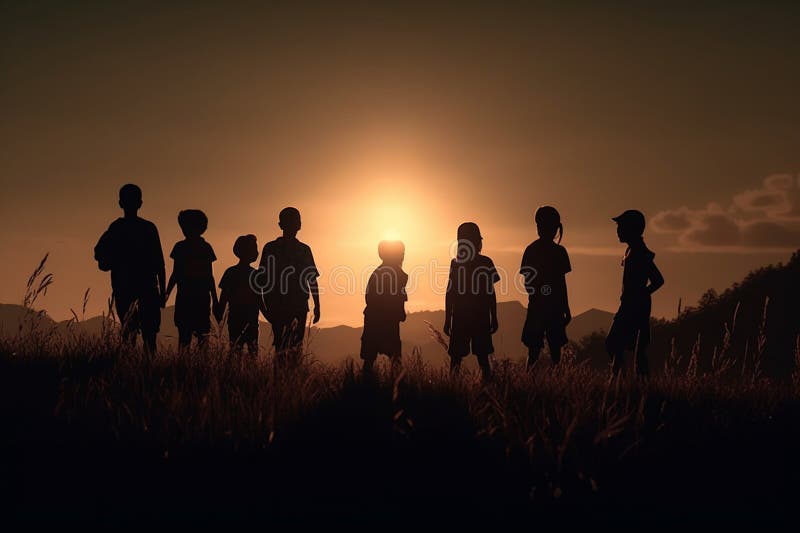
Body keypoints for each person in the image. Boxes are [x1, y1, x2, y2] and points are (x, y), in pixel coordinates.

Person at [94, 184, 165, 353]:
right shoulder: (148, 228)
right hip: (147, 288)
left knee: (128, 333)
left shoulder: (116, 228)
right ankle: (148, 372)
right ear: (140, 203)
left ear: (120, 203)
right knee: (150, 336)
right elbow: (160, 263)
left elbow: (98, 253)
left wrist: (109, 262)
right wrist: (163, 292)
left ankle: (128, 368)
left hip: (123, 287)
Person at [605, 210, 664, 378]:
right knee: (631, 347)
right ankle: (623, 379)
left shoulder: (638, 252)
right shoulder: (633, 250)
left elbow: (658, 280)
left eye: (621, 226)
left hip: (633, 306)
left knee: (619, 344)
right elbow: (658, 280)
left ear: (632, 229)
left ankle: (621, 379)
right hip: (633, 304)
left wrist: (640, 295)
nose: (618, 230)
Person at [256, 207, 320, 357]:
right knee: (285, 347)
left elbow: (311, 278)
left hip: (293, 305)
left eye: (295, 221)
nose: (294, 224)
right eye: (291, 221)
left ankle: (288, 379)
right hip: (279, 304)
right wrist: (264, 307)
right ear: (281, 225)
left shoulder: (302, 250)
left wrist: (317, 304)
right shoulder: (273, 248)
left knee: (291, 347)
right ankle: (285, 378)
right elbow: (261, 280)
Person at [443, 222, 500, 382]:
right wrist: (493, 316)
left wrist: (448, 319)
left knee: (456, 359)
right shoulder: (486, 262)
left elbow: (450, 293)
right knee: (482, 358)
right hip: (480, 316)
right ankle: (487, 386)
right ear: (477, 242)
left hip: (460, 317)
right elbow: (490, 293)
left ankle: (453, 388)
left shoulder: (456, 263)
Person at [520, 206, 572, 369]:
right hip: (551, 307)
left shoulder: (532, 250)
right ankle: (554, 380)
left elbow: (528, 281)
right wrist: (565, 307)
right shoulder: (558, 251)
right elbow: (560, 283)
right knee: (551, 350)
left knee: (536, 350)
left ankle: (531, 379)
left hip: (540, 306)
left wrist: (537, 296)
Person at [165, 209, 219, 350]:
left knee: (187, 337)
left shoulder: (181, 247)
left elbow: (176, 274)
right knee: (199, 338)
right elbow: (209, 276)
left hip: (187, 297)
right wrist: (215, 299)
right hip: (198, 298)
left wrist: (166, 293)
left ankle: (188, 366)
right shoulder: (204, 248)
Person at [360, 240, 408, 376]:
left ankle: (366, 385)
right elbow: (400, 296)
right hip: (387, 320)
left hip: (374, 320)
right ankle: (395, 386)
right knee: (394, 358)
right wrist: (399, 311)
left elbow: (369, 297)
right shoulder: (398, 274)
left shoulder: (378, 272)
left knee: (370, 358)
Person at [215, 234, 266, 355]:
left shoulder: (230, 272)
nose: (257, 252)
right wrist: (270, 317)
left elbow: (224, 297)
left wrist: (219, 313)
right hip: (251, 320)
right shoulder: (255, 275)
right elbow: (260, 300)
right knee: (253, 352)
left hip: (235, 319)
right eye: (254, 249)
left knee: (235, 350)